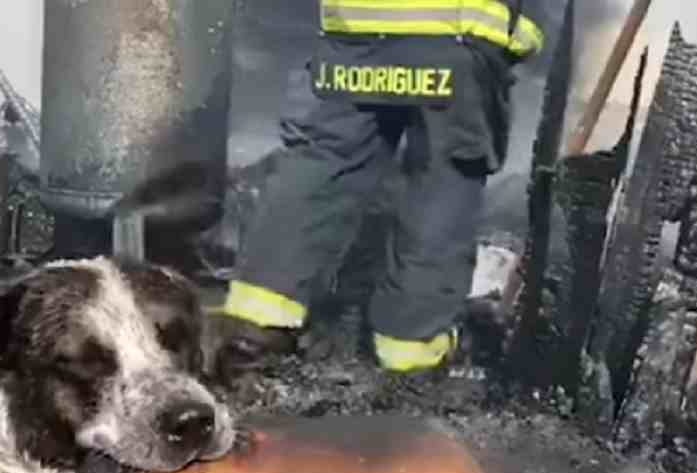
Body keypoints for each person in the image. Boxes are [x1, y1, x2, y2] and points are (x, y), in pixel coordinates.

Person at [212, 0, 543, 379]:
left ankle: (255, 327)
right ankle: (411, 352)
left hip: (355, 28)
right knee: (443, 184)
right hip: (458, 31)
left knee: (320, 167)